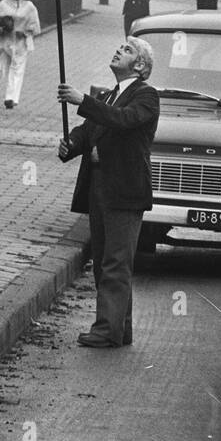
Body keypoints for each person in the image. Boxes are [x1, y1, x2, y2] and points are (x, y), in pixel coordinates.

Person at [57, 38, 160, 349]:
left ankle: (106, 329)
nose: (119, 50)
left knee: (116, 261)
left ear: (140, 66)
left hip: (125, 190)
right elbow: (90, 130)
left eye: (128, 50)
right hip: (99, 186)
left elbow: (123, 120)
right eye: (120, 46)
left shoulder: (146, 95)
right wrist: (72, 145)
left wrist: (82, 100)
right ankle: (118, 328)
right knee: (104, 259)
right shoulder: (109, 95)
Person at [0, 0, 41, 109]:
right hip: (6, 40)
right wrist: (0, 27)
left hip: (21, 42)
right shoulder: (3, 4)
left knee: (17, 67)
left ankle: (10, 98)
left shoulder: (29, 6)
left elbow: (35, 25)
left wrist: (25, 32)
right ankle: (11, 96)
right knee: (8, 67)